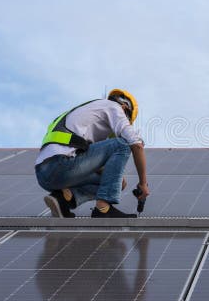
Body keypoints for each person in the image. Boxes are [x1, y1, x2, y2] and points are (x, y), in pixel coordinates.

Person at [35, 88, 149, 218]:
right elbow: (136, 145)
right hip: (61, 165)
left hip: (45, 174)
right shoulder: (113, 107)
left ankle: (64, 198)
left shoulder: (91, 113)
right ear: (124, 107)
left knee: (117, 183)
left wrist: (116, 180)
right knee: (123, 144)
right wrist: (143, 184)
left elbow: (91, 162)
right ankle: (103, 209)